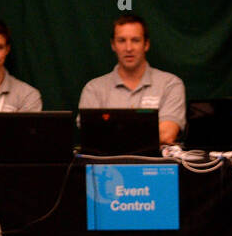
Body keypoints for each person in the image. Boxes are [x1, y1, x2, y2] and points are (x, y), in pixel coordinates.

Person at [78, 12, 186, 145]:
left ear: (146, 44)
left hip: (153, 165)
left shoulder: (170, 84)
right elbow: (91, 135)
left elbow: (166, 135)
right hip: (107, 165)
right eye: (122, 41)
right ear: (113, 45)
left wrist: (113, 134)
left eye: (135, 40)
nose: (128, 48)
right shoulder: (94, 89)